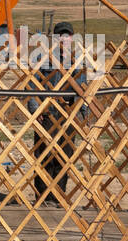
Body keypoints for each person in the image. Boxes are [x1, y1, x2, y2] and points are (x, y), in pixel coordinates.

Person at [29, 21, 89, 200]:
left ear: (72, 38)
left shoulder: (78, 60)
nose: (64, 39)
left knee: (64, 155)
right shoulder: (42, 58)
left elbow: (84, 88)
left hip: (68, 112)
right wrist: (35, 109)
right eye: (60, 36)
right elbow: (32, 85)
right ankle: (42, 196)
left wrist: (84, 114)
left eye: (67, 35)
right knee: (44, 155)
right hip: (46, 112)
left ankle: (58, 196)